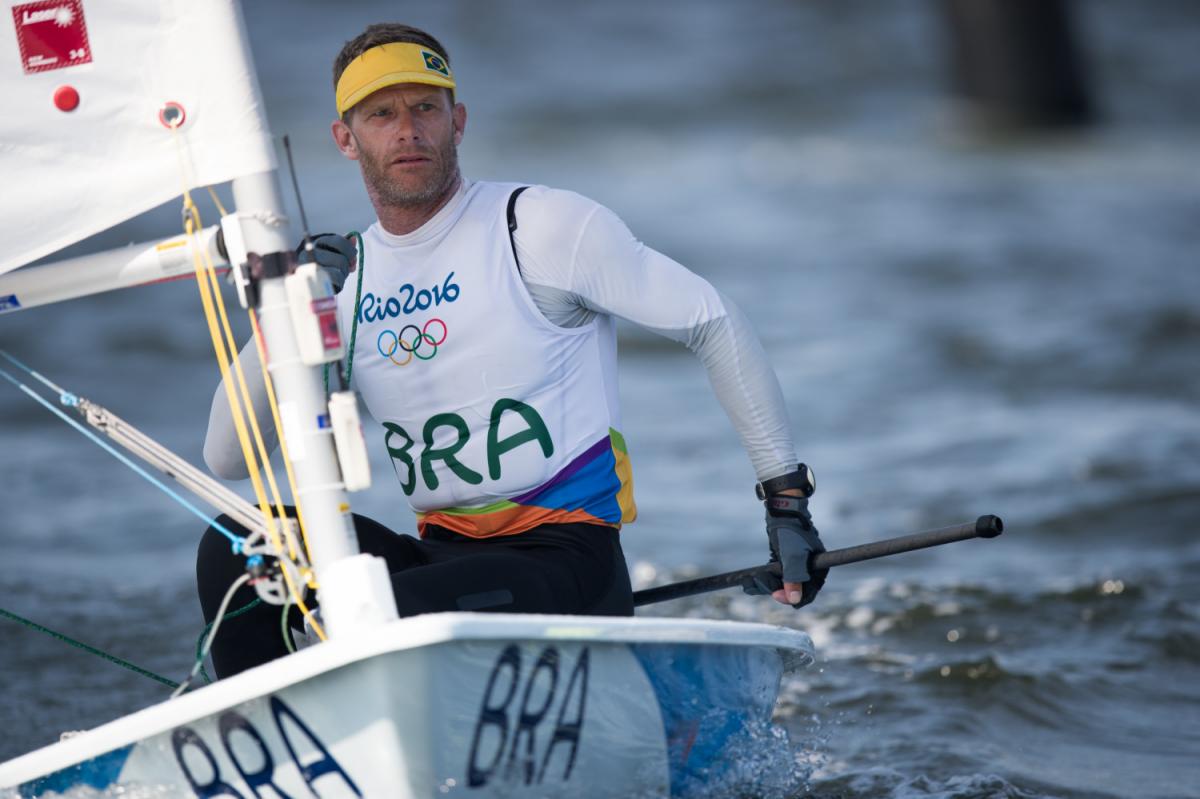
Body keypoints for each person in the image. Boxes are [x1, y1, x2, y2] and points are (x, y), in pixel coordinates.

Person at [197, 23, 826, 678]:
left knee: (388, 611)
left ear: (457, 120)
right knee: (235, 550)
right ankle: (282, 755)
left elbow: (711, 320)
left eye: (425, 108)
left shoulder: (541, 228)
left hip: (566, 564)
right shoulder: (338, 280)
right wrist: (290, 313)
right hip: (442, 562)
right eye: (382, 114)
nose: (407, 130)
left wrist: (786, 505)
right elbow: (227, 456)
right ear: (346, 139)